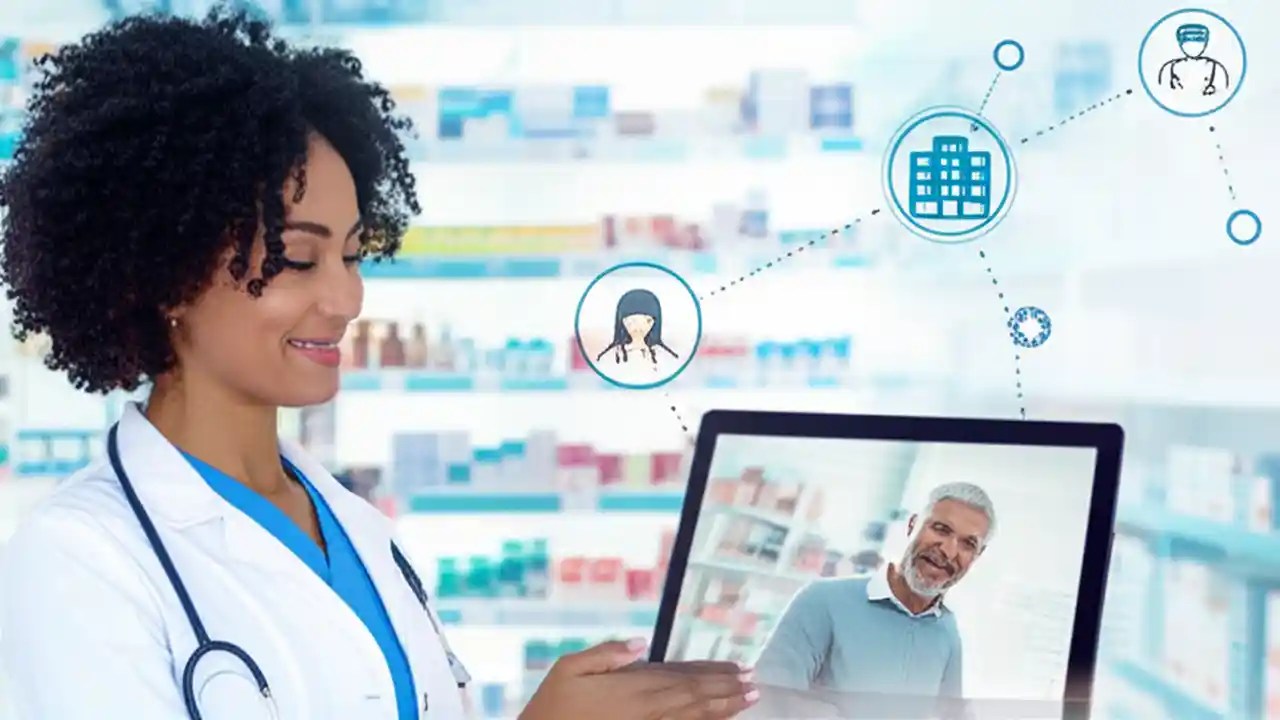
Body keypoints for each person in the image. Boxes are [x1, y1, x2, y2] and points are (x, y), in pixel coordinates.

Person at [0, 8, 759, 720]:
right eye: (298, 257)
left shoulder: (354, 528)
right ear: (165, 271)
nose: (347, 295)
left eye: (354, 252)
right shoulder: (81, 560)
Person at [752, 483, 996, 707]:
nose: (949, 551)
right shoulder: (823, 601)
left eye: (968, 544)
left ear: (978, 556)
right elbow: (766, 702)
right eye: (941, 530)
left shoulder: (947, 630)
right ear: (912, 525)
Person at [596, 288, 679, 366]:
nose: (638, 327)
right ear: (622, 322)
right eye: (631, 321)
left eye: (647, 321)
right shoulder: (611, 357)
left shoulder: (665, 357)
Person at [1158, 23, 1229, 96]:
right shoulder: (1169, 68)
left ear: (1205, 44)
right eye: (1187, 42)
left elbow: (1224, 92)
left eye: (1198, 41)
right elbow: (1162, 92)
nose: (1193, 47)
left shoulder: (1217, 68)